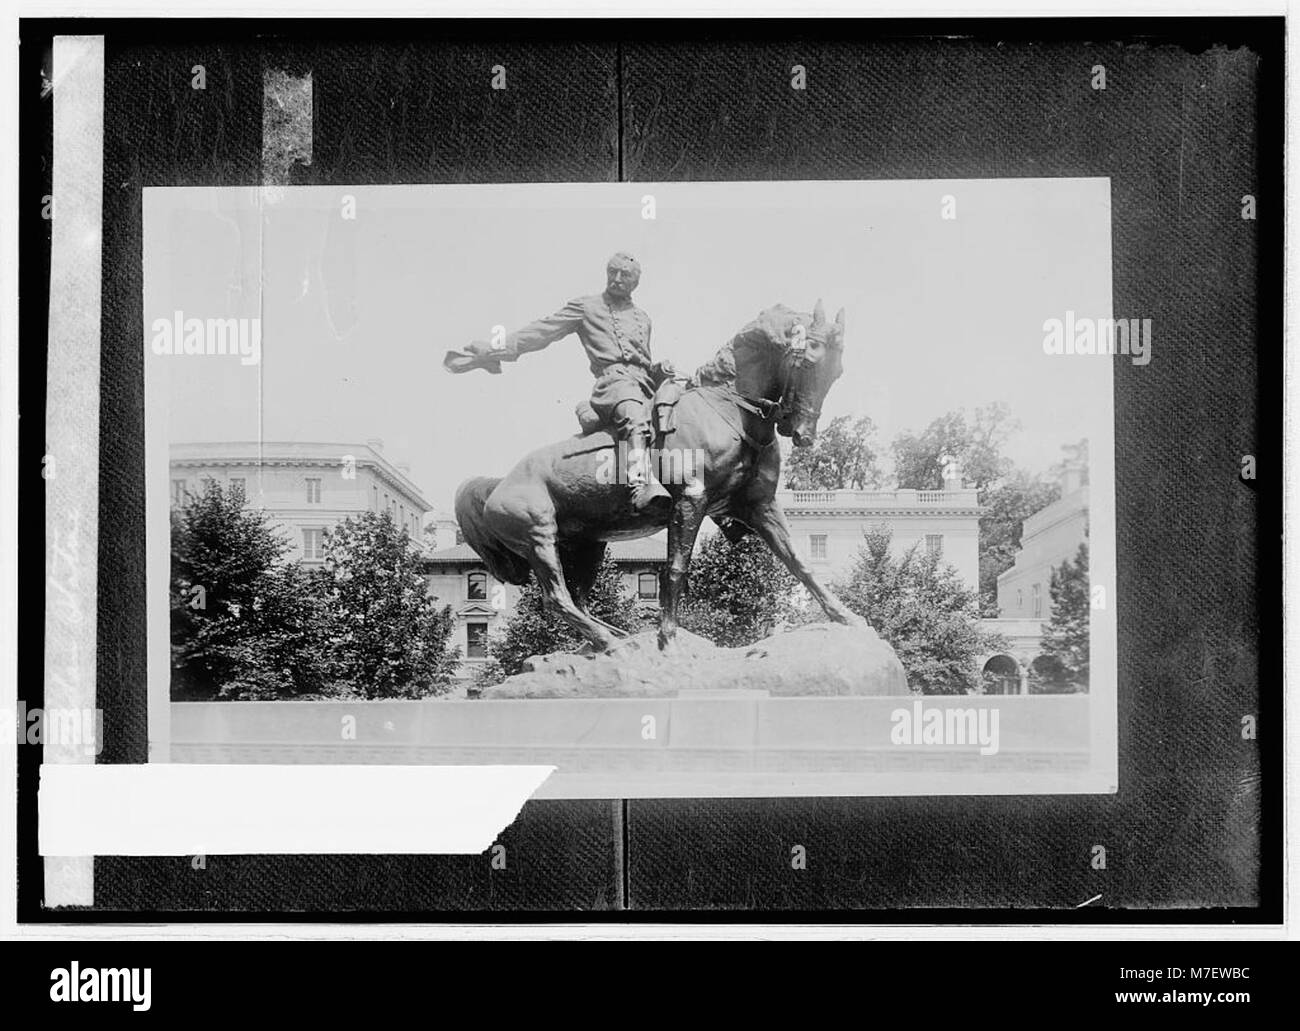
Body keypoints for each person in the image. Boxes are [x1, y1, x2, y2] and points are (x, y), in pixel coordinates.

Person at [444, 252, 676, 513]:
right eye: (613, 272)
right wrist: (495, 350)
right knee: (634, 414)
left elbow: (641, 360)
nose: (617, 279)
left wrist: (660, 371)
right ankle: (640, 484)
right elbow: (542, 331)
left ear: (636, 282)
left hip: (644, 384)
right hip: (614, 385)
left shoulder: (643, 317)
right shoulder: (588, 306)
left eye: (625, 275)